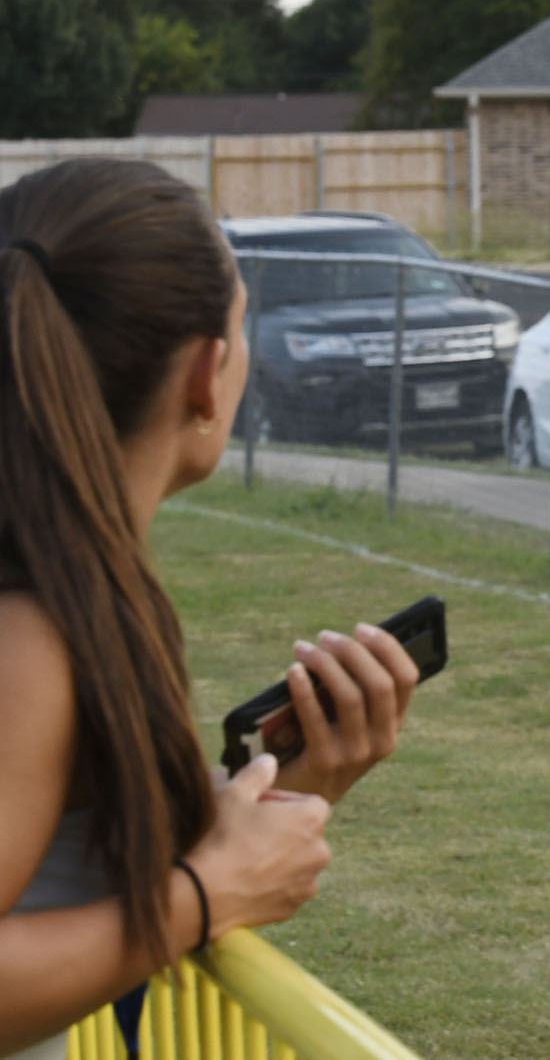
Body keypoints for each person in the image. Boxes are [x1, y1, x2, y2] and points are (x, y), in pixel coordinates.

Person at [0, 158, 421, 1060]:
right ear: (208, 373)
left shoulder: (65, 587)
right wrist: (205, 894)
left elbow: (47, 881)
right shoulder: (28, 633)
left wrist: (275, 797)